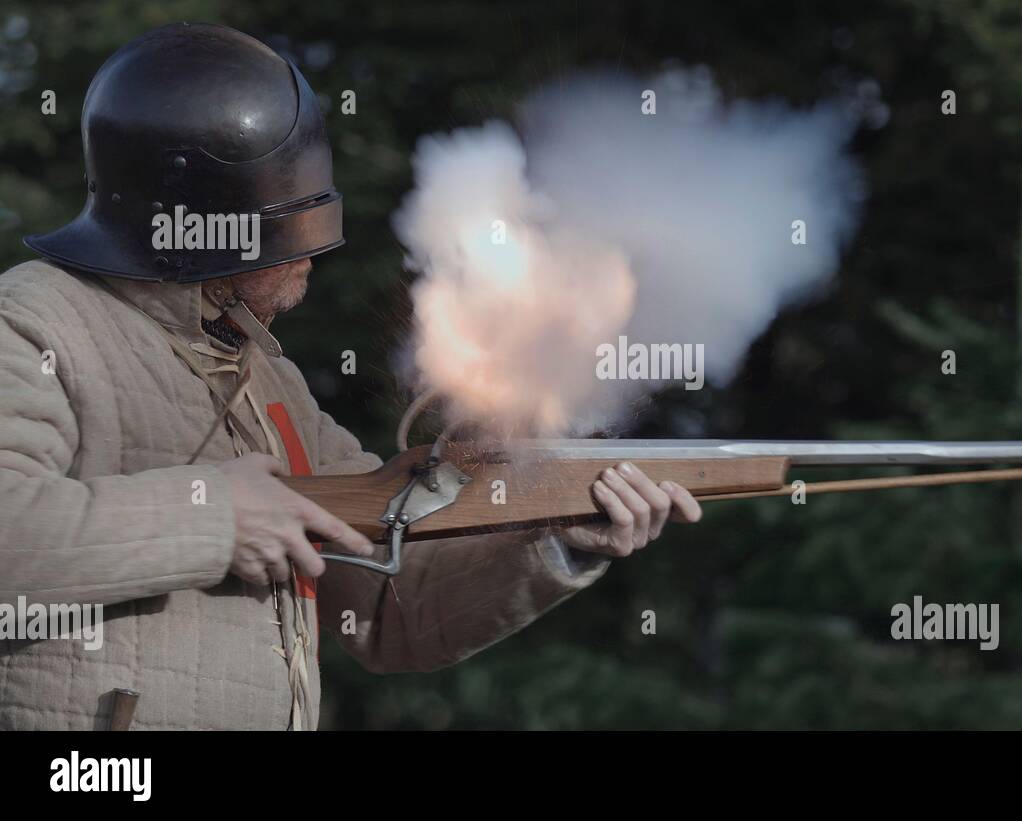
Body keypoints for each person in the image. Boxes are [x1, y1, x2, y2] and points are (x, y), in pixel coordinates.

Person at [0, 22, 701, 730]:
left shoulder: (268, 379)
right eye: (287, 229)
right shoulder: (36, 320)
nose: (313, 254)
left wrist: (557, 537)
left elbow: (387, 614)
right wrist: (216, 516)